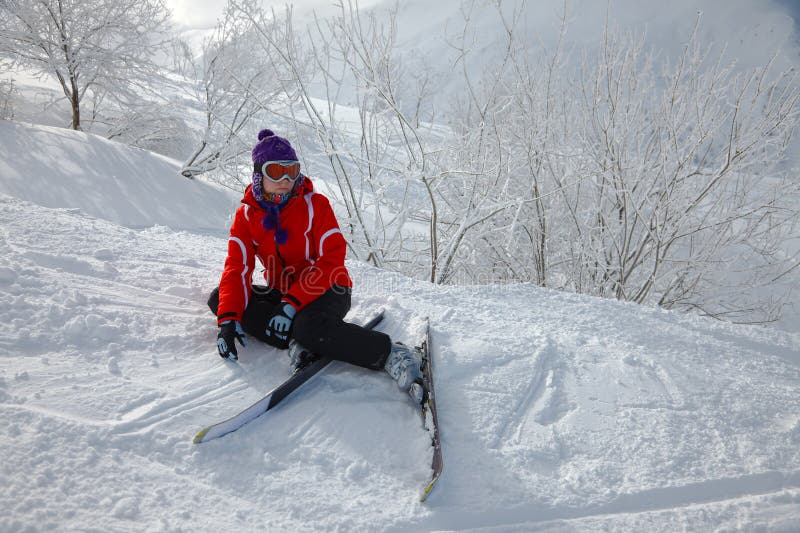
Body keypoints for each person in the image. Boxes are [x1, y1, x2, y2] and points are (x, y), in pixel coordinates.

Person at [208, 129, 423, 402]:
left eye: (292, 170)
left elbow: (332, 260)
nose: (286, 180)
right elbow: (236, 269)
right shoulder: (247, 216)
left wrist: (290, 305)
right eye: (276, 171)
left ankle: (393, 353)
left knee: (305, 326)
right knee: (220, 300)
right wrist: (228, 321)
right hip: (285, 292)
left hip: (328, 287)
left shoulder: (315, 205)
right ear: (259, 175)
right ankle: (302, 340)